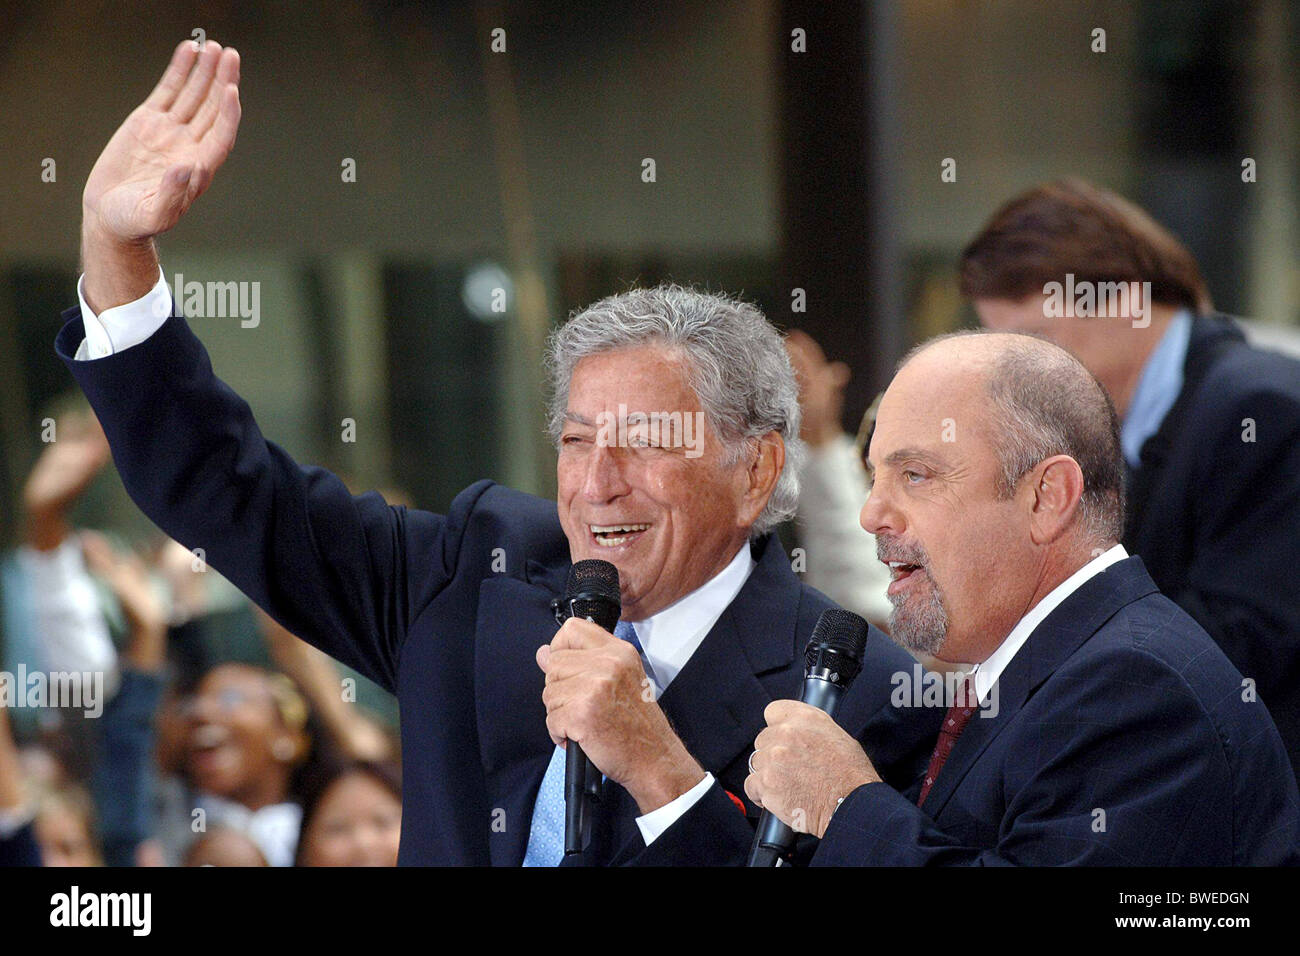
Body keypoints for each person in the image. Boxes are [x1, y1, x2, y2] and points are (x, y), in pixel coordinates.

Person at [56, 38, 938, 865]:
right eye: (577, 440)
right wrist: (115, 246)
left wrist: (659, 769)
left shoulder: (860, 693)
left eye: (643, 445)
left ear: (755, 471)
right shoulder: (479, 571)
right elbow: (228, 492)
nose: (597, 484)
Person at [743, 331, 1300, 865]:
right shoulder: (1026, 672)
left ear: (1047, 498)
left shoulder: (1134, 690)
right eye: (873, 478)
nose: (871, 515)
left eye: (914, 475)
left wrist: (843, 806)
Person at [961, 178, 1300, 785]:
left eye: (1036, 340)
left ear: (1123, 299)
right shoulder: (1136, 421)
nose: (1019, 374)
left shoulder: (1262, 406)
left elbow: (1246, 638)